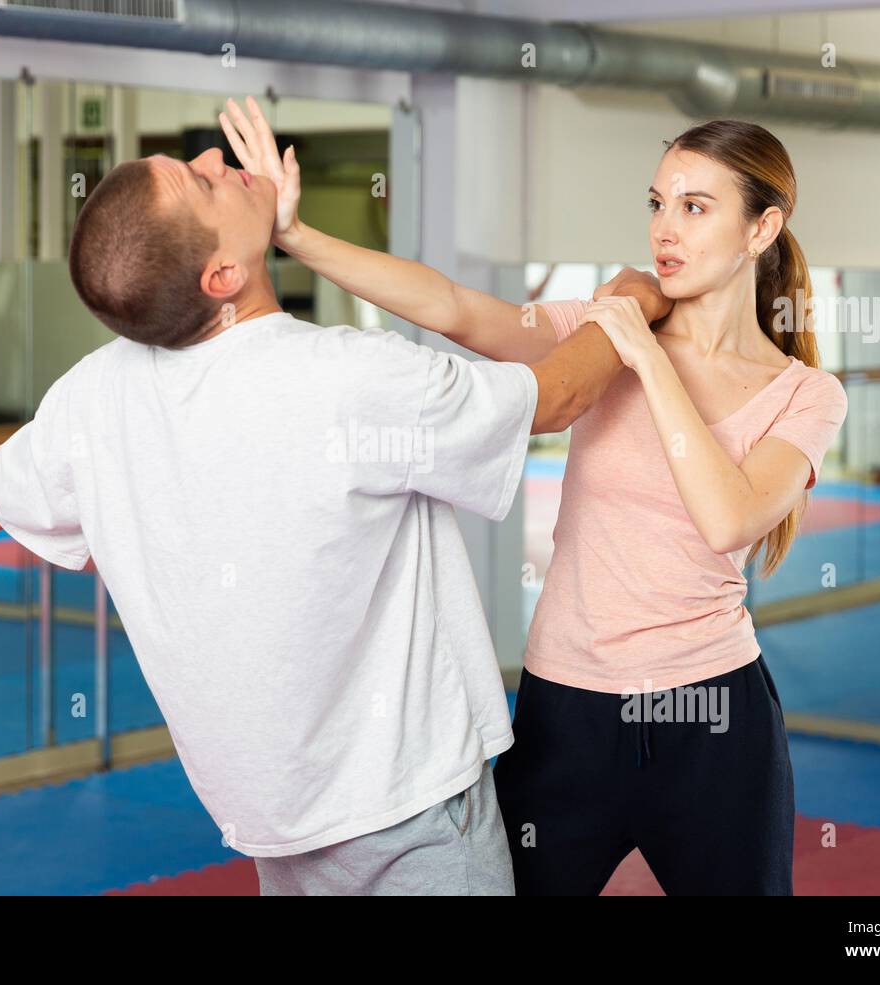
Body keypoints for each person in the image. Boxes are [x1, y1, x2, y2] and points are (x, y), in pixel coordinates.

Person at [0, 120, 668, 894]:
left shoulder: (94, 398)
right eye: (204, 183)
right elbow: (557, 397)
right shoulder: (353, 378)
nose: (215, 155)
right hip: (412, 805)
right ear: (222, 278)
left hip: (272, 822)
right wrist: (627, 306)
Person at [225, 101, 847, 895]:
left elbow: (728, 515)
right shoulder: (603, 325)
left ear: (762, 229)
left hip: (713, 720)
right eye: (657, 204)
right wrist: (295, 236)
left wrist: (642, 351)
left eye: (696, 207)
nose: (666, 229)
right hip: (568, 712)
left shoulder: (804, 393)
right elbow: (454, 308)